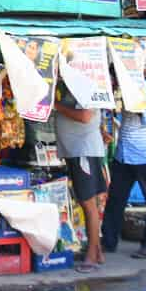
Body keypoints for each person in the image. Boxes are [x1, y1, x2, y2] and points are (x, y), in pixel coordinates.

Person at [102, 73, 146, 260]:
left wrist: (139, 109)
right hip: (124, 154)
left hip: (145, 155)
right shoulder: (123, 91)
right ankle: (108, 241)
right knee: (116, 199)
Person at [54, 78, 108, 272]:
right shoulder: (76, 89)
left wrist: (56, 105)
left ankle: (91, 257)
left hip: (83, 152)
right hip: (77, 152)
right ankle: (97, 250)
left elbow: (85, 116)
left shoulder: (89, 87)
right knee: (87, 202)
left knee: (88, 203)